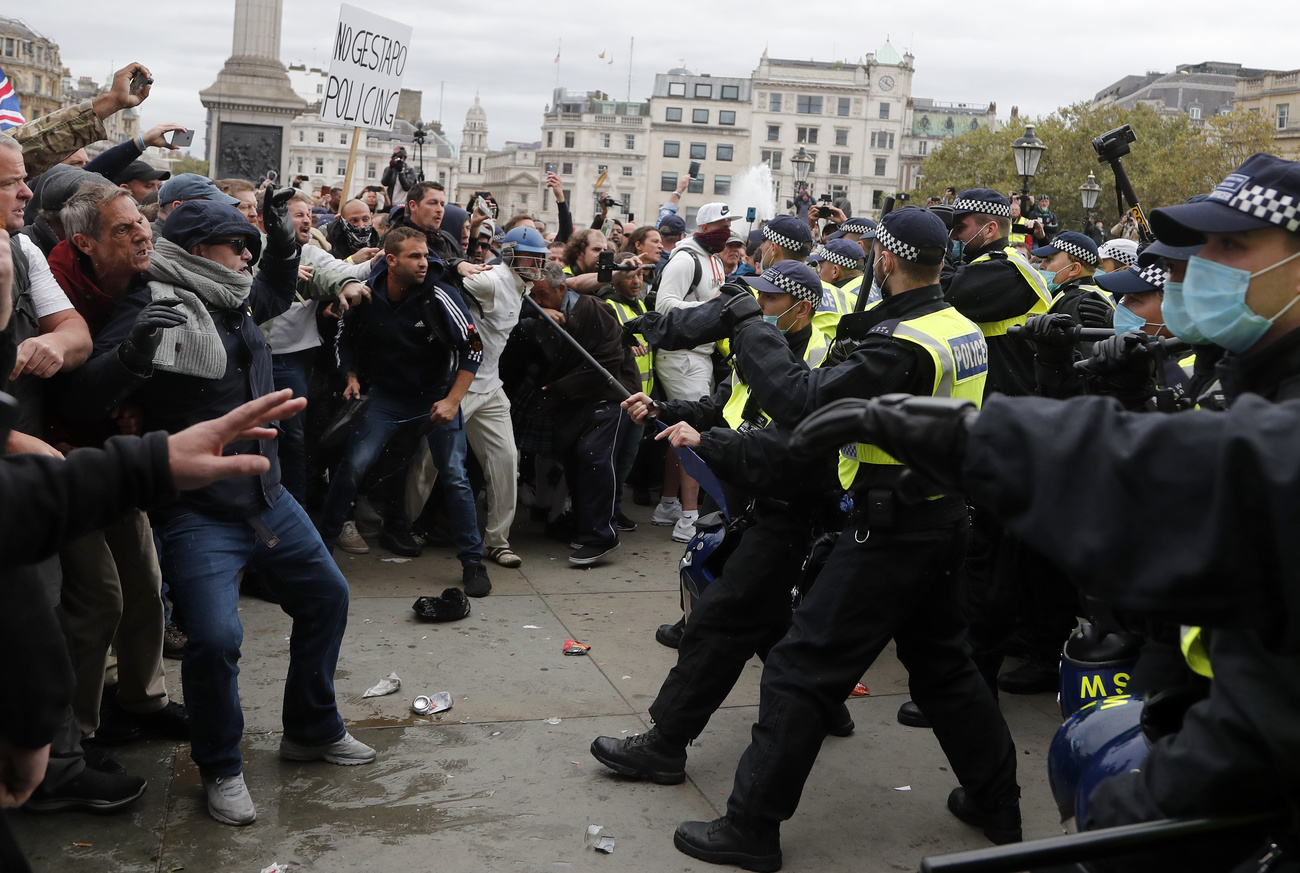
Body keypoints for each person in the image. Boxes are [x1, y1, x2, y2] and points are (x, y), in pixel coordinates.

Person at [788, 154, 1300, 873]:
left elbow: (1215, 475)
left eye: (1232, 247)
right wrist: (1114, 394)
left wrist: (972, 440)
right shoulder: (1243, 364)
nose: (1198, 268)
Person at [668, 208, 1020, 871]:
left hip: (892, 529)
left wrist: (751, 327)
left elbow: (804, 398)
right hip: (944, 517)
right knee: (946, 667)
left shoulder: (901, 343)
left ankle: (751, 825)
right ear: (940, 261)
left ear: (884, 261)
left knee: (801, 668)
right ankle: (996, 800)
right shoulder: (958, 327)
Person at [65, 191, 376, 827]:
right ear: (197, 250)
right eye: (236, 245)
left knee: (327, 597)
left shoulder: (235, 301)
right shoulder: (155, 302)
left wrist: (286, 239)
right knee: (212, 638)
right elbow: (82, 399)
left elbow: (278, 283)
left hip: (268, 496)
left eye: (249, 246)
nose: (245, 256)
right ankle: (221, 766)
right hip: (198, 510)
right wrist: (128, 359)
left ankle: (312, 729)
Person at [47, 183, 190, 756]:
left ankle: (141, 698)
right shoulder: (51, 283)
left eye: (143, 222)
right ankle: (78, 734)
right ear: (84, 242)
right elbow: (71, 395)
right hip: (59, 456)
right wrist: (128, 360)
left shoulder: (146, 278)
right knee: (100, 595)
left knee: (143, 581)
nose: (143, 235)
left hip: (115, 452)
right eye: (124, 229)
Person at [321, 226, 492, 595]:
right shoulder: (366, 295)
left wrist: (452, 401)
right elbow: (344, 338)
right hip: (386, 397)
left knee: (455, 476)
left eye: (426, 254)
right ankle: (319, 552)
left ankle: (473, 563)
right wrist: (349, 374)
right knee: (352, 466)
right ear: (391, 260)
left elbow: (474, 347)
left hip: (435, 397)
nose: (424, 261)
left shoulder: (440, 293)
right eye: (415, 256)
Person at [523, 264, 639, 564]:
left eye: (543, 294)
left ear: (562, 289)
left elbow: (611, 358)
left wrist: (559, 388)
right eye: (533, 295)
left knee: (595, 456)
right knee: (576, 459)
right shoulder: (541, 316)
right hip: (575, 401)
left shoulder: (593, 309)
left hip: (610, 396)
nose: (539, 300)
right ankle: (585, 523)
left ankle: (602, 534)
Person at [451, 225, 549, 569]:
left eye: (540, 258)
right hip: (460, 387)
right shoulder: (491, 279)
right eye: (530, 257)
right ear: (510, 254)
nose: (536, 264)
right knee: (430, 464)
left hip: (491, 388)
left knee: (507, 460)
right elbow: (448, 285)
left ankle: (497, 540)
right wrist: (458, 266)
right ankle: (407, 524)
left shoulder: (525, 286)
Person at [652, 202, 741, 543]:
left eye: (729, 223)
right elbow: (664, 306)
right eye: (720, 223)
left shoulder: (712, 259)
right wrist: (713, 307)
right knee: (692, 433)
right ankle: (689, 516)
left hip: (697, 355)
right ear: (703, 227)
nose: (726, 229)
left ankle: (668, 505)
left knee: (681, 433)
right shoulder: (685, 259)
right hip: (682, 356)